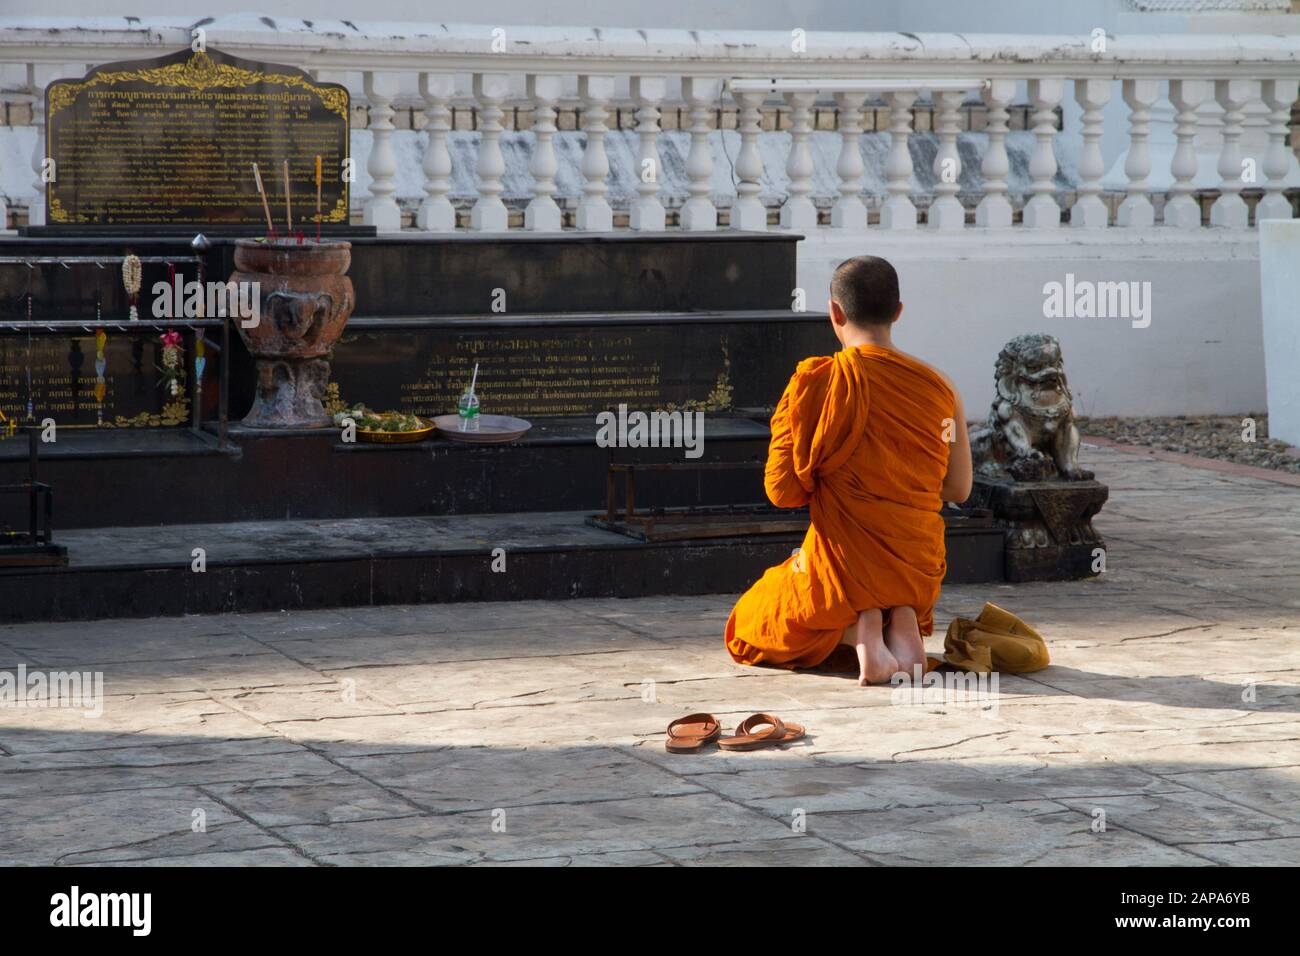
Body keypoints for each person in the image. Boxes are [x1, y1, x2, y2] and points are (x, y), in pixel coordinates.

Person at [724, 255, 973, 685]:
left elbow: (781, 492)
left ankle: (861, 629)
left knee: (747, 626)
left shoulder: (815, 382)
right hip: (916, 572)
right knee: (870, 585)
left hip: (841, 574)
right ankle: (898, 620)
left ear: (834, 313)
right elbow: (958, 487)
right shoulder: (940, 388)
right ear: (898, 312)